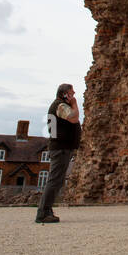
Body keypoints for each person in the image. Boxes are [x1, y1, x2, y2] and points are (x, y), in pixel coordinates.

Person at [36, 83, 81, 223]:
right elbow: (73, 117)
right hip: (60, 148)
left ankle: (46, 210)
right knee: (54, 180)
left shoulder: (60, 105)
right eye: (71, 93)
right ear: (65, 94)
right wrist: (75, 104)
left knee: (57, 180)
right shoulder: (60, 106)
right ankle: (43, 213)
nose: (73, 95)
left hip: (62, 147)